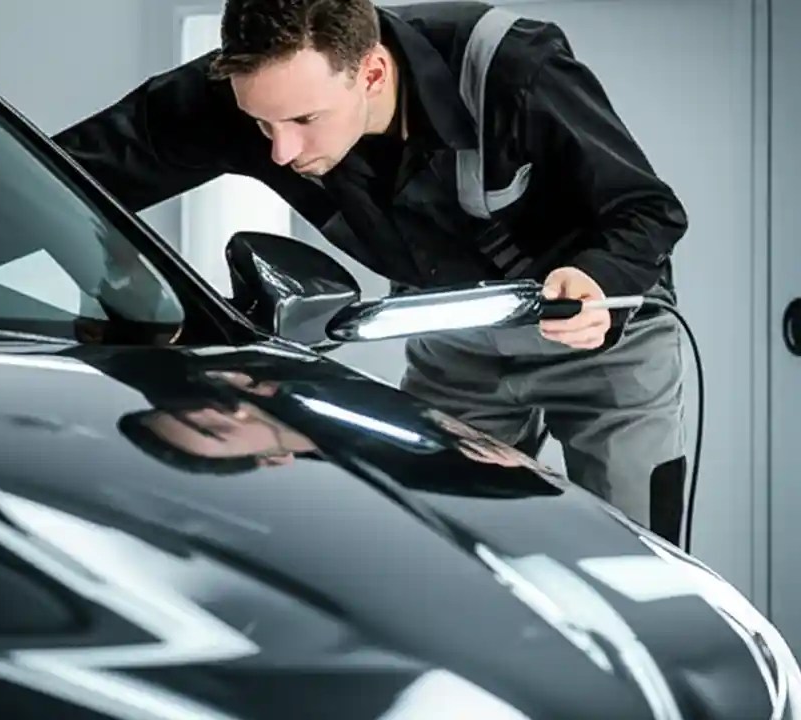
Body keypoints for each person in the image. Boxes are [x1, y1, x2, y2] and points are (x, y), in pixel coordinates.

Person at [50, 0, 691, 544]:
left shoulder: (514, 70)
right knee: (435, 543)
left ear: (373, 72)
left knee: (638, 556)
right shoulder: (251, 92)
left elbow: (648, 208)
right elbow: (53, 182)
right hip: (455, 347)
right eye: (260, 124)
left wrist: (598, 277)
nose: (281, 151)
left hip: (600, 338)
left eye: (304, 121)